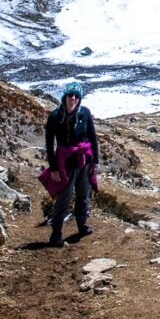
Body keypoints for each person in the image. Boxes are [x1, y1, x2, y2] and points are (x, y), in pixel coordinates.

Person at [44, 81, 99, 247]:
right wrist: (53, 168)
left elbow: (93, 137)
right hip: (65, 162)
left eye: (76, 96)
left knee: (83, 194)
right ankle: (56, 234)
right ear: (64, 97)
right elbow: (48, 143)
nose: (73, 98)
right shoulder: (54, 116)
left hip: (83, 161)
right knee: (64, 198)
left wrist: (95, 163)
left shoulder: (85, 113)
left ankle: (82, 225)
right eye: (70, 95)